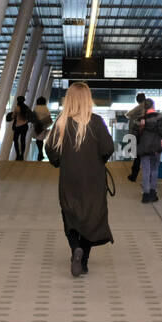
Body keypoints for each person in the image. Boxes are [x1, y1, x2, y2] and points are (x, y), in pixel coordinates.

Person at [44, 82, 115, 277]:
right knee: (90, 219)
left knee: (70, 217)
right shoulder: (97, 122)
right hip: (93, 180)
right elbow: (108, 148)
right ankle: (83, 262)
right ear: (87, 100)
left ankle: (75, 248)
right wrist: (99, 160)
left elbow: (50, 149)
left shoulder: (61, 122)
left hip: (69, 180)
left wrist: (58, 161)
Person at [135, 98, 162, 203]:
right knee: (154, 169)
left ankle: (145, 195)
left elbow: (135, 134)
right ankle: (153, 192)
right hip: (156, 146)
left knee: (146, 169)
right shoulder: (159, 117)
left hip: (144, 146)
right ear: (153, 106)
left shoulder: (141, 119)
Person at [125, 93, 147, 181]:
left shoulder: (139, 108)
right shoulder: (150, 108)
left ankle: (133, 176)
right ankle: (147, 177)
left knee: (137, 157)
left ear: (137, 100)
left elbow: (127, 114)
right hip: (147, 135)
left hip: (138, 135)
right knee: (146, 156)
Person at [7, 95, 31, 161]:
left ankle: (18, 154)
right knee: (23, 140)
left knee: (15, 140)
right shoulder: (27, 108)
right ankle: (22, 155)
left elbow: (13, 116)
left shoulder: (17, 108)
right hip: (25, 126)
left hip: (18, 126)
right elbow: (29, 116)